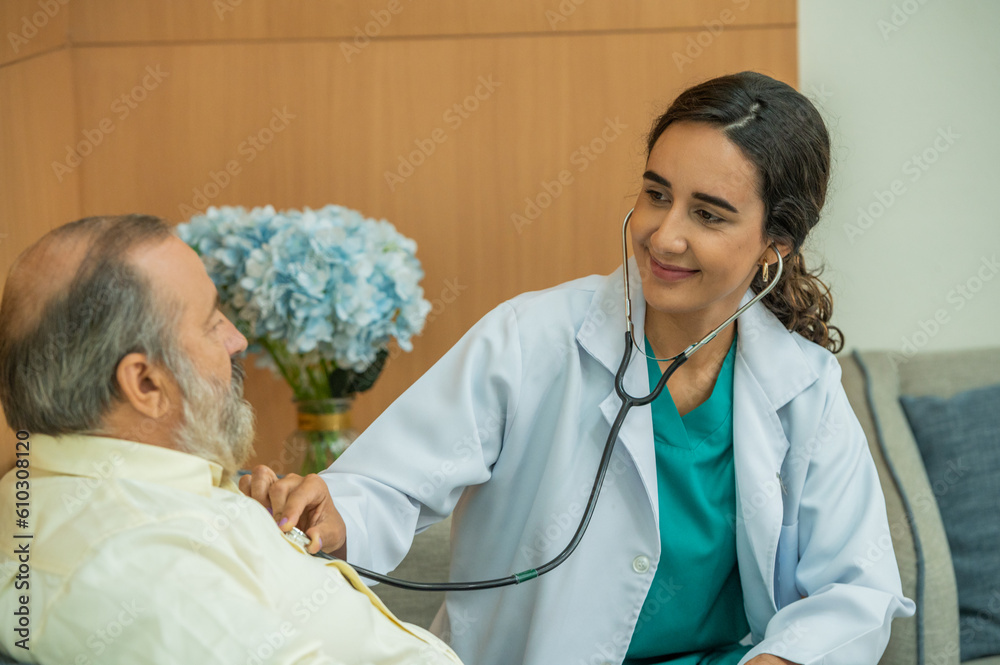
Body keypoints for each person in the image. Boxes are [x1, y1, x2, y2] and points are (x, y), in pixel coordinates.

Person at [241, 72, 916, 665]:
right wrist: (332, 510)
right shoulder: (531, 339)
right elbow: (388, 485)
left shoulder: (805, 384)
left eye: (708, 214)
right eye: (657, 194)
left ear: (775, 244)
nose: (665, 234)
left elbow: (856, 587)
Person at [0, 216, 461, 664]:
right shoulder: (155, 576)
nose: (237, 340)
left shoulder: (58, 494)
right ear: (146, 385)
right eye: (210, 322)